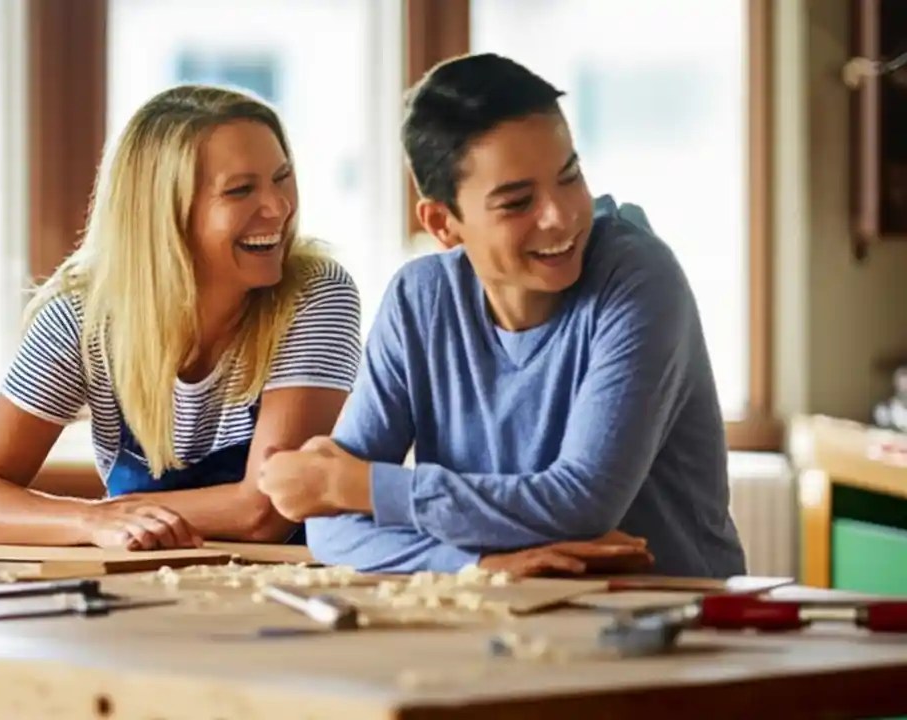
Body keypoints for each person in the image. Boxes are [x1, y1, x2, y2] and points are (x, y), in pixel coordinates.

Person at [257, 53, 746, 578]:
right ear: (443, 222)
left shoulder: (639, 278)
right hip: (505, 619)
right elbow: (329, 527)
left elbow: (582, 502)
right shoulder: (418, 301)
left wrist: (352, 485)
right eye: (517, 203)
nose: (560, 217)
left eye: (569, 176)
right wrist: (479, 563)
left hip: (676, 623)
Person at [0, 85, 362, 551]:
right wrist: (89, 522)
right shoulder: (81, 318)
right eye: (241, 190)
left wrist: (111, 514)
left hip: (289, 583)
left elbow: (265, 511)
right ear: (165, 214)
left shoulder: (315, 293)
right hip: (145, 586)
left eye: (281, 178)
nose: (279, 207)